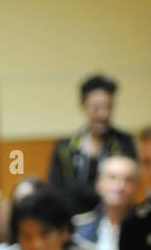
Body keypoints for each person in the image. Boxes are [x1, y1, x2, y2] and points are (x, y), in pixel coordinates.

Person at [47, 74, 137, 215]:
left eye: (108, 107)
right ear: (83, 106)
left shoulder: (124, 142)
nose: (103, 114)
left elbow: (130, 185)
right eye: (96, 108)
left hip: (114, 219)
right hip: (73, 220)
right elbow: (56, 189)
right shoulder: (65, 147)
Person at [73, 155, 140, 250]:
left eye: (128, 180)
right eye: (112, 178)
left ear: (136, 186)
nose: (119, 186)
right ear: (99, 183)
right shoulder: (79, 229)